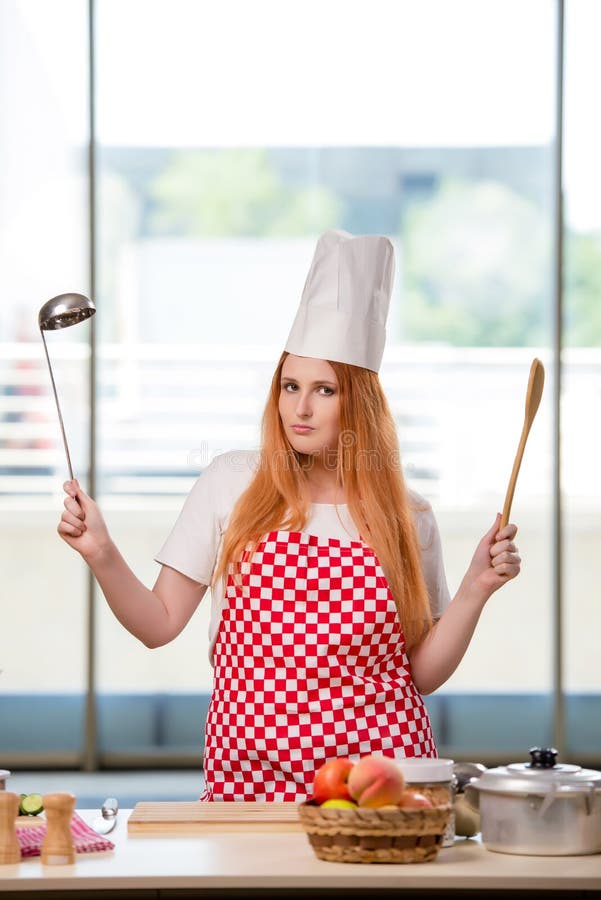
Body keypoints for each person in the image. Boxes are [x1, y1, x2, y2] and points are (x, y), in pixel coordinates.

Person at [58, 230, 521, 802]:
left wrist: (477, 588)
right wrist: (101, 552)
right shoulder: (231, 482)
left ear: (360, 403)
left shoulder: (407, 514)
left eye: (324, 389)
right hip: (247, 772)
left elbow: (419, 675)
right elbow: (158, 624)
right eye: (290, 385)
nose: (300, 408)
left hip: (377, 781)